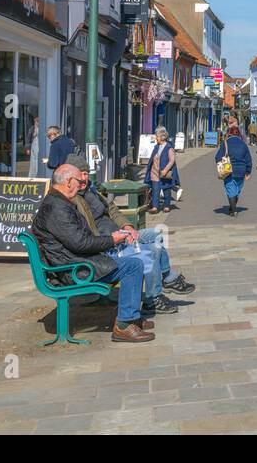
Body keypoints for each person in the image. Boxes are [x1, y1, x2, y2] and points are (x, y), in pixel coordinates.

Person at [31, 163, 155, 343]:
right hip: (73, 269)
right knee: (133, 265)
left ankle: (131, 316)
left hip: (75, 261)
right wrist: (113, 239)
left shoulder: (59, 202)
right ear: (67, 181)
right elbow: (81, 243)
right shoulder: (56, 207)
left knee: (133, 260)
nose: (81, 183)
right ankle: (124, 324)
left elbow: (80, 239)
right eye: (77, 180)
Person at [65, 152, 196, 314]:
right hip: (111, 245)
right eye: (80, 175)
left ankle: (168, 278)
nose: (84, 178)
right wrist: (115, 239)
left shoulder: (91, 190)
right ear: (70, 177)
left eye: (86, 173)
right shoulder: (72, 199)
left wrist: (127, 226)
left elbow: (112, 209)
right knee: (154, 249)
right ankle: (152, 298)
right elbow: (86, 235)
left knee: (157, 234)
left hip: (120, 234)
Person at [215, 121, 253, 217]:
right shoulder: (243, 144)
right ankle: (232, 208)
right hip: (241, 171)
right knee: (237, 190)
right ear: (239, 134)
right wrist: (248, 171)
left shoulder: (225, 143)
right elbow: (248, 159)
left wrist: (221, 163)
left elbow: (217, 157)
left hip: (229, 170)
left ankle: (234, 210)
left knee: (230, 189)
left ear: (229, 133)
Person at [145, 126, 177, 214]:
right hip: (154, 172)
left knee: (166, 189)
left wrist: (166, 170)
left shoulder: (169, 148)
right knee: (155, 189)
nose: (156, 138)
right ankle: (155, 207)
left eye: (157, 136)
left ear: (162, 138)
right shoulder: (156, 147)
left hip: (164, 173)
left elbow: (172, 160)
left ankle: (166, 206)